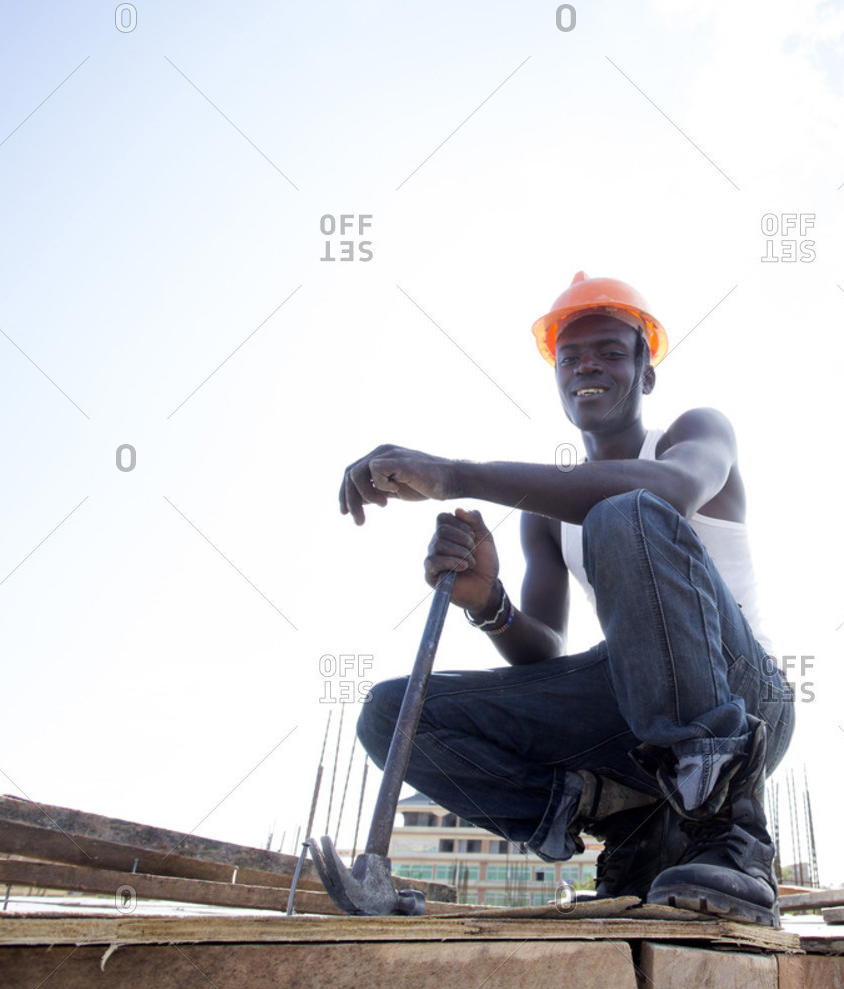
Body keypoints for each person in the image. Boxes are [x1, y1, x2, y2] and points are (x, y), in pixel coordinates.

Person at [339, 272, 794, 926]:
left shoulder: (694, 433)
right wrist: (489, 603)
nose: (587, 365)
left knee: (625, 512)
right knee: (392, 715)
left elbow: (667, 491)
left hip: (745, 697)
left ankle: (729, 833)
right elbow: (544, 652)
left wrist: (457, 475)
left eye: (610, 351)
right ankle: (617, 813)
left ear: (646, 375)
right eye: (570, 356)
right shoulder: (545, 517)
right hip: (637, 710)